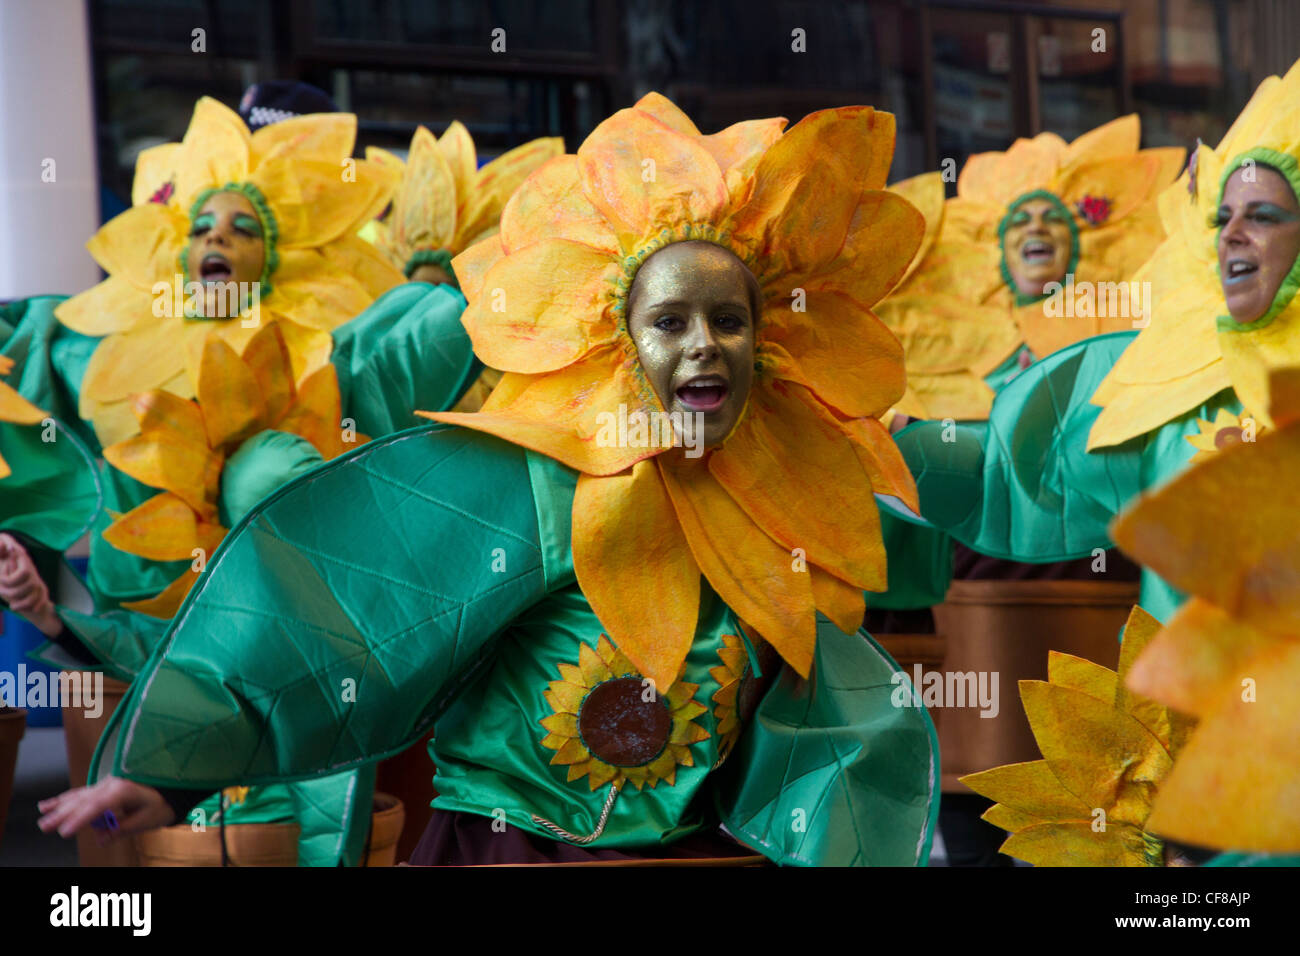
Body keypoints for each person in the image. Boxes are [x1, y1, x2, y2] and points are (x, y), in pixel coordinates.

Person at [38, 93, 939, 866]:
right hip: (517, 848)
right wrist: (165, 770)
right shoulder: (536, 479)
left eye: (729, 319)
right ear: (618, 340)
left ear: (768, 338)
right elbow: (355, 614)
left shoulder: (790, 486)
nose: (704, 342)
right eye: (670, 320)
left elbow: (824, 679)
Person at [0, 95, 479, 864]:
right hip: (128, 673)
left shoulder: (339, 355)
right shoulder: (101, 349)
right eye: (200, 224)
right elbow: (17, 361)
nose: (217, 235)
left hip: (289, 681)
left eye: (245, 226)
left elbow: (432, 333)